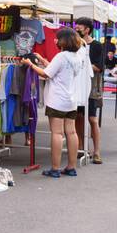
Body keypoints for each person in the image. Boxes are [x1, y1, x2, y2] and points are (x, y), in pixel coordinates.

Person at [26, 29, 82, 179]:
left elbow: (45, 74)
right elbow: (58, 70)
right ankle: (71, 167)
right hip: (71, 100)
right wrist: (43, 61)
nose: (55, 41)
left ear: (64, 41)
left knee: (57, 133)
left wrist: (30, 64)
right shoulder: (76, 57)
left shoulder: (61, 56)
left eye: (57, 39)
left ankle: (55, 168)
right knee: (71, 132)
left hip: (57, 100)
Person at [73, 18, 105, 164]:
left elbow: (99, 66)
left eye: (80, 26)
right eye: (76, 26)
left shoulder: (97, 46)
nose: (77, 28)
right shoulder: (74, 44)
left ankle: (97, 151)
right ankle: (80, 147)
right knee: (78, 117)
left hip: (91, 87)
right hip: (77, 86)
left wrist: (82, 65)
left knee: (92, 119)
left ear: (87, 30)